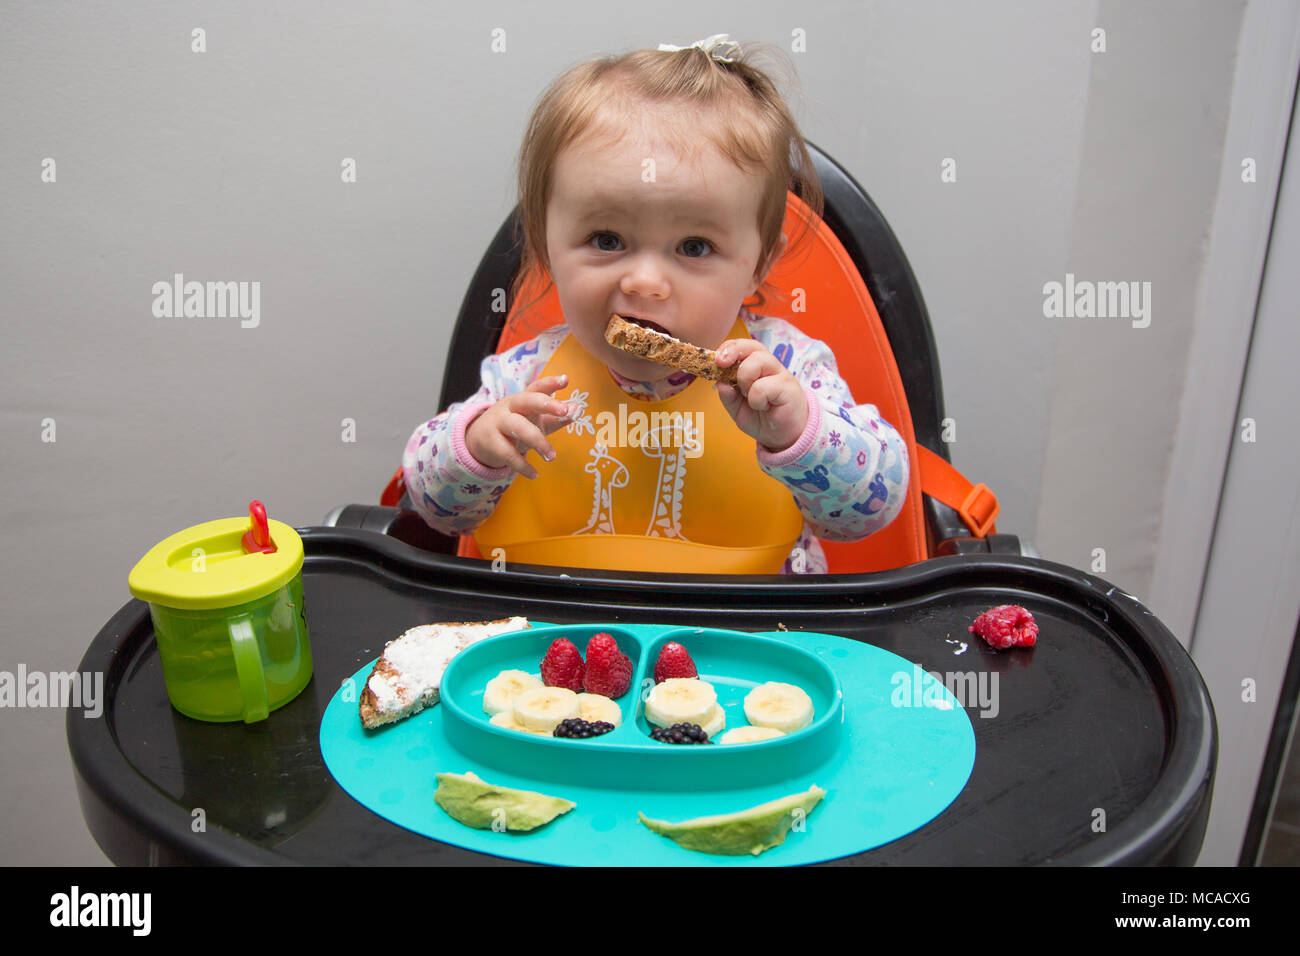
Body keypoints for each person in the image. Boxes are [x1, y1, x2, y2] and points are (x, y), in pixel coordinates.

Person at [403, 35, 908, 574]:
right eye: (606, 239)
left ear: (758, 263)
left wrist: (799, 434)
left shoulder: (787, 369)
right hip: (557, 636)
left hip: (755, 636)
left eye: (694, 247)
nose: (644, 282)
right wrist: (478, 448)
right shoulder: (524, 378)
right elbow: (438, 513)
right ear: (546, 246)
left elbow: (868, 512)